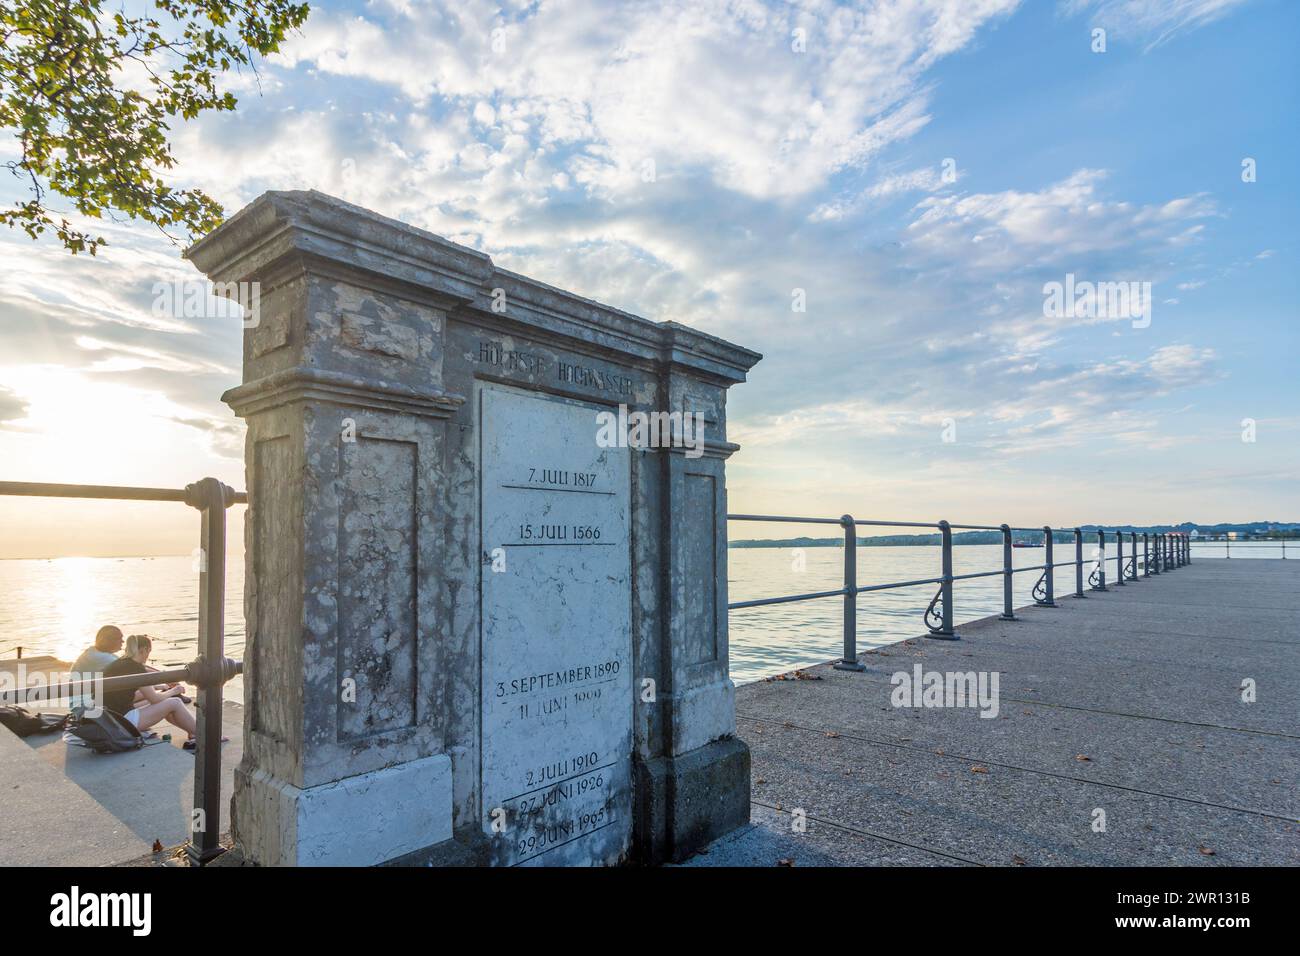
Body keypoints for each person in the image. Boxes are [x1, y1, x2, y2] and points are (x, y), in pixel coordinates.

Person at [102, 634, 200, 749]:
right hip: (123, 722)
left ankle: (192, 731)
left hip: (107, 719)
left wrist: (158, 687)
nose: (148, 656)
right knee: (175, 702)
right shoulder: (136, 668)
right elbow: (154, 699)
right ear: (143, 650)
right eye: (149, 651)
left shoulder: (119, 663)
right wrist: (174, 690)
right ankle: (203, 735)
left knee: (166, 702)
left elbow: (124, 696)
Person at [69, 625, 123, 711]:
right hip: (85, 707)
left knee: (143, 692)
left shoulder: (94, 651)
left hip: (82, 702)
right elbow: (132, 667)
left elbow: (130, 665)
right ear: (109, 641)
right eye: (119, 638)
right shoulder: (99, 657)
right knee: (144, 692)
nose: (122, 641)